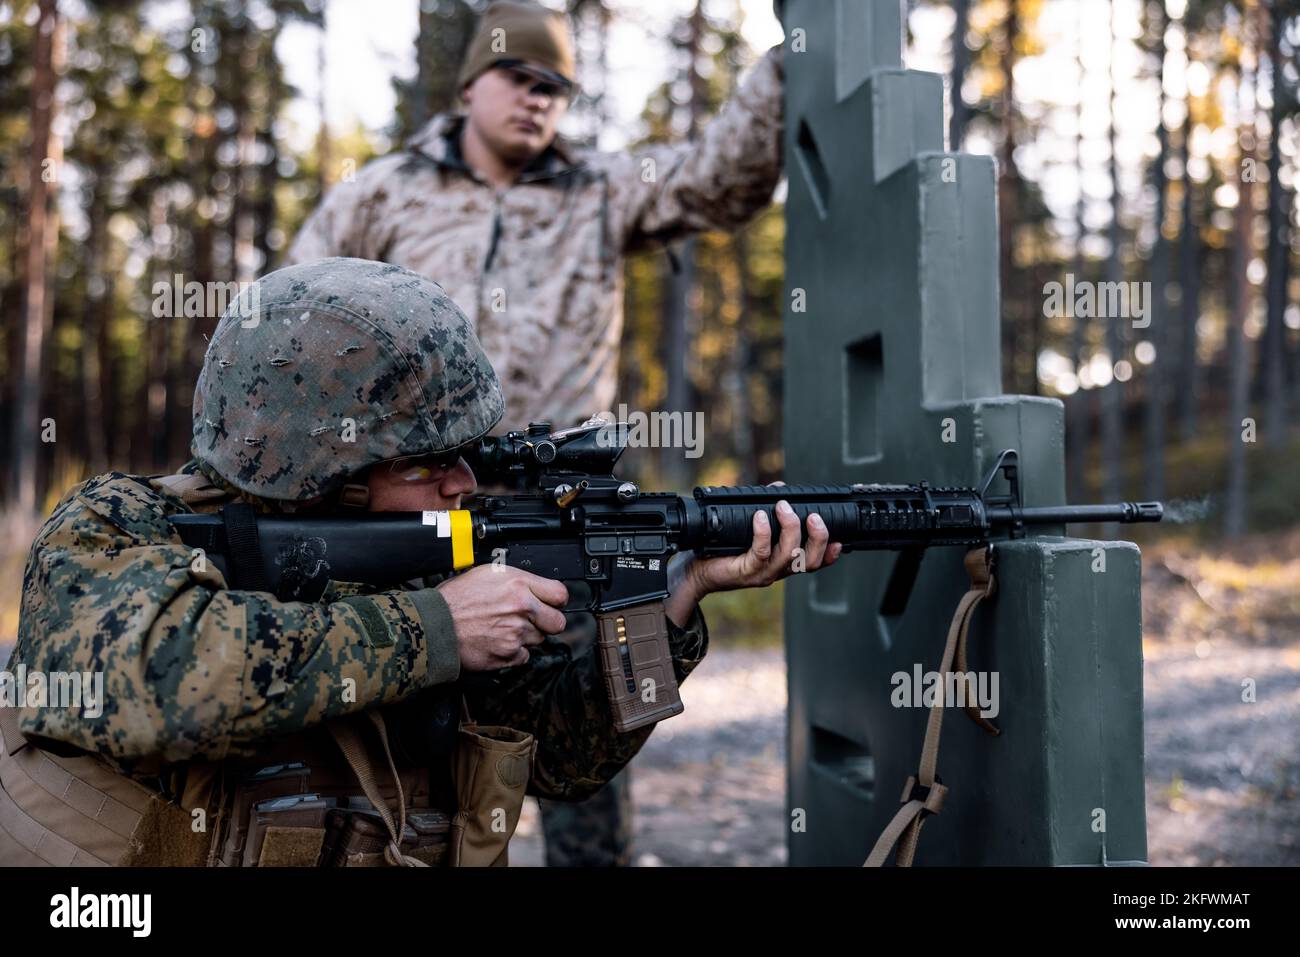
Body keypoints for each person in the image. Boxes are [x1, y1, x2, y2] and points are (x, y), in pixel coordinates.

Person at [0, 258, 840, 867]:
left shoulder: (438, 559)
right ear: (318, 471)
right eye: (424, 465)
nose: (464, 484)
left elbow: (562, 761)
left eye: (468, 455)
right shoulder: (121, 525)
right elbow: (163, 680)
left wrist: (677, 604)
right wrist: (438, 628)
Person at [286, 0, 785, 866]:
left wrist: (790, 63)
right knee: (415, 749)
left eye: (557, 88)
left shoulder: (602, 188)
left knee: (595, 726)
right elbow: (292, 321)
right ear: (472, 82)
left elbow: (720, 181)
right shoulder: (380, 193)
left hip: (564, 515)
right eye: (520, 78)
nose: (538, 99)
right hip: (417, 511)